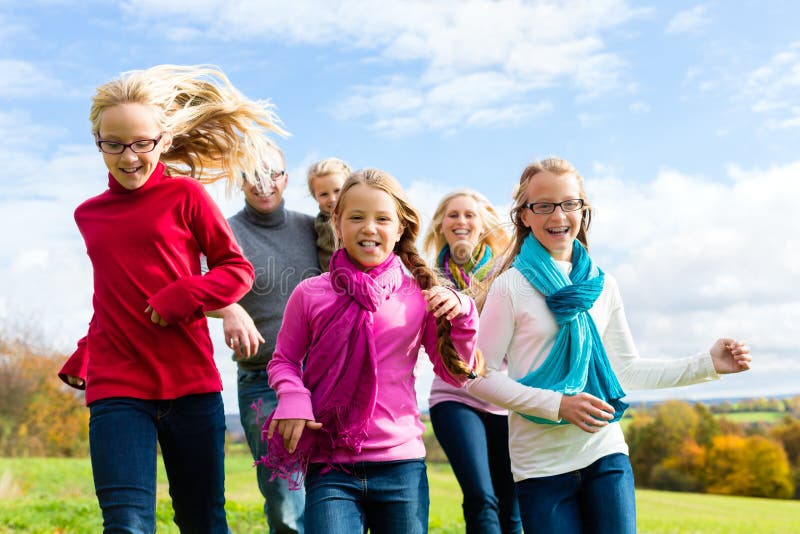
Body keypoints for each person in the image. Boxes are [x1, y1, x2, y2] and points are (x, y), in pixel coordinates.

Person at [465, 157, 751, 534]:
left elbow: (625, 370)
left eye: (569, 203)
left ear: (583, 210)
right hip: (541, 466)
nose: (558, 215)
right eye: (544, 205)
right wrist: (558, 404)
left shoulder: (603, 285)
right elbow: (477, 377)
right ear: (524, 215)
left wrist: (707, 363)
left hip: (604, 452)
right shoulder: (511, 287)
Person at [57, 64, 285, 532]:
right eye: (113, 144)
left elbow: (236, 271)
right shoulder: (88, 215)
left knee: (203, 521)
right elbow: (113, 291)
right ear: (98, 142)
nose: (129, 157)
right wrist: (88, 347)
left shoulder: (186, 196)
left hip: (190, 384)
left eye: (141, 143)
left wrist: (184, 294)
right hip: (117, 384)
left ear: (163, 141)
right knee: (126, 523)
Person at [262, 168, 480, 534]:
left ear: (400, 228)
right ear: (337, 222)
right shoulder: (309, 293)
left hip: (401, 465)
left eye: (382, 219)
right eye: (356, 217)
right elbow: (284, 360)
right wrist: (294, 397)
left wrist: (465, 314)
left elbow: (454, 373)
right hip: (330, 466)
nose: (369, 228)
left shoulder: (419, 297)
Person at [210, 144, 320, 534]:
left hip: (323, 376)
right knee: (286, 505)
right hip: (263, 380)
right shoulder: (226, 232)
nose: (263, 183)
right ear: (239, 181)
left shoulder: (314, 228)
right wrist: (229, 308)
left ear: (285, 179)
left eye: (271, 173)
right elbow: (193, 283)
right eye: (252, 175)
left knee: (334, 494)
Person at [422, 190, 520, 534]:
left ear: (483, 225)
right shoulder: (428, 278)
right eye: (453, 215)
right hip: (454, 397)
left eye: (469, 215)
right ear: (441, 225)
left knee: (512, 506)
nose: (461, 221)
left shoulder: (507, 273)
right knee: (480, 497)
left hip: (505, 399)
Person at [306, 157, 351, 272]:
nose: (332, 199)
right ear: (315, 197)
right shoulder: (321, 224)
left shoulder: (360, 217)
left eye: (337, 191)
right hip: (333, 278)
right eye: (324, 194)